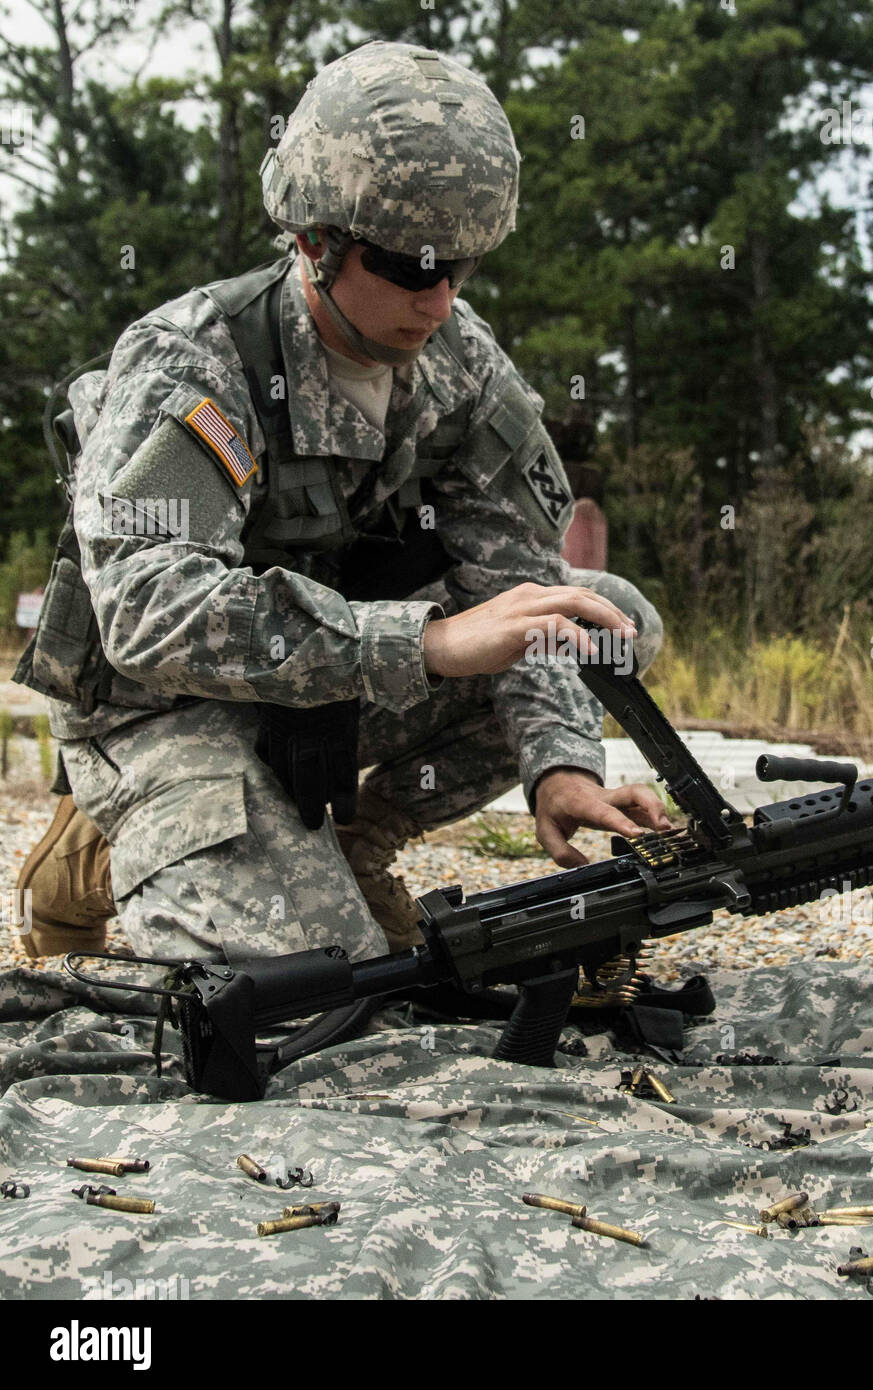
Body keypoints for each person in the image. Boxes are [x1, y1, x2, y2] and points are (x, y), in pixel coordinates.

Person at [15, 40, 668, 969]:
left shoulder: (459, 359)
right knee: (316, 985)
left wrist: (559, 762)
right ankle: (100, 834)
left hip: (336, 686)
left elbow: (521, 577)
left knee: (606, 620)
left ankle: (356, 841)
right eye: (410, 268)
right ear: (314, 242)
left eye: (463, 269)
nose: (439, 302)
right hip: (169, 707)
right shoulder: (194, 365)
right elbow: (147, 613)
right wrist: (423, 642)